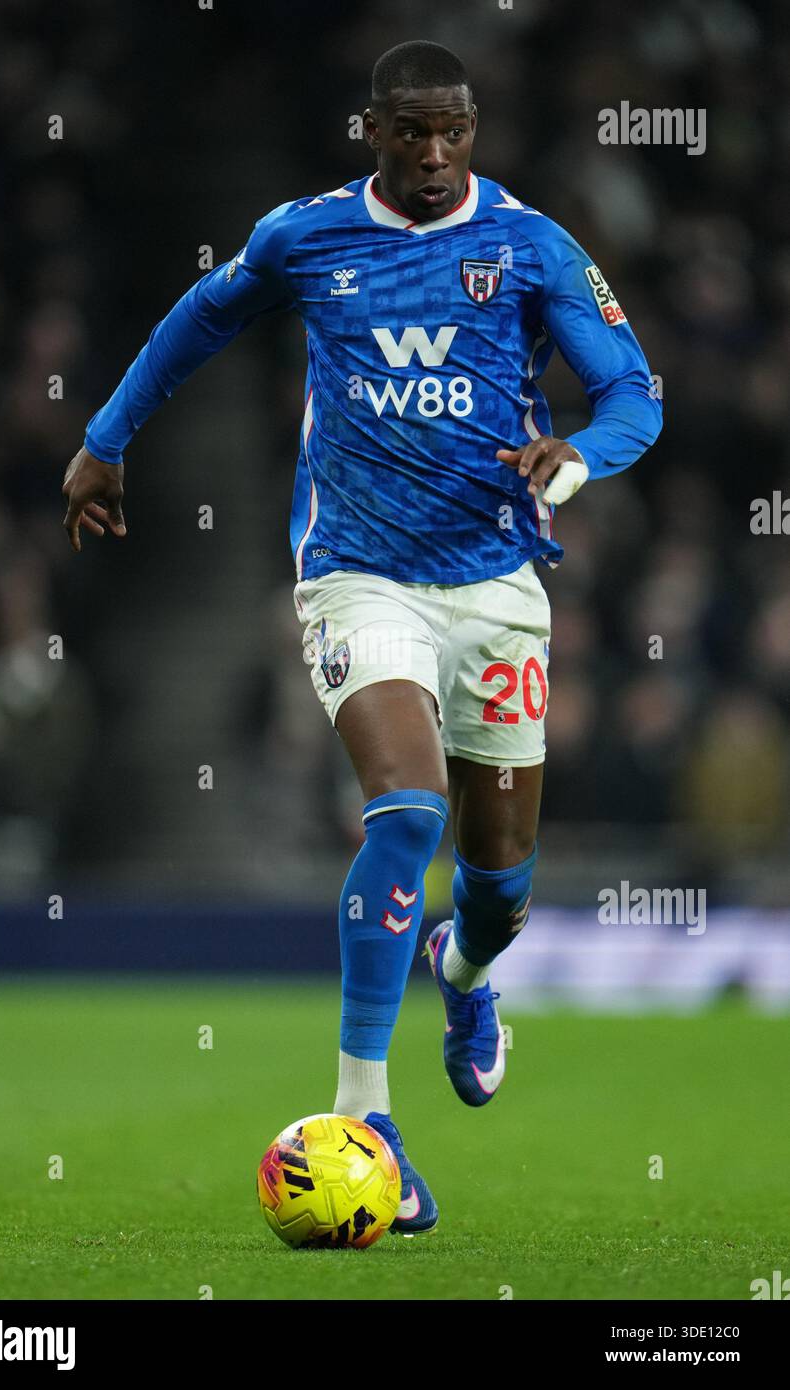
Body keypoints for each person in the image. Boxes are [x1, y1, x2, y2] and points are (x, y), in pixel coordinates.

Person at [62, 40, 662, 1235]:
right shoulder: (306, 236)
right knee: (404, 810)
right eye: (409, 132)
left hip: (494, 586)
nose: (432, 155)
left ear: (474, 128)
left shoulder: (528, 245)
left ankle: (465, 971)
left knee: (499, 888)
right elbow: (199, 315)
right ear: (369, 129)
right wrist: (106, 436)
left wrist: (577, 455)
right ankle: (366, 1118)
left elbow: (635, 390)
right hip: (357, 576)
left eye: (452, 132)